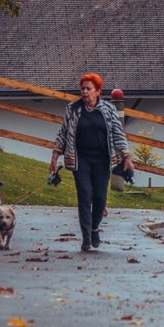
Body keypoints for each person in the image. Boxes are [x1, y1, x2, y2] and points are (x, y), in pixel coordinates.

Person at [49, 72, 133, 252]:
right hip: (81, 160)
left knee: (100, 199)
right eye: (82, 89)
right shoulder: (73, 109)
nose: (85, 92)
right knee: (85, 195)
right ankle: (86, 237)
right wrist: (55, 157)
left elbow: (118, 133)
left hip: (103, 161)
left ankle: (95, 228)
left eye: (89, 89)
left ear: (98, 91)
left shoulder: (109, 109)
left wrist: (127, 156)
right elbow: (63, 133)